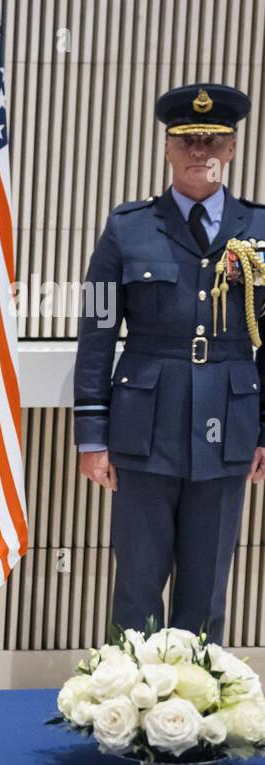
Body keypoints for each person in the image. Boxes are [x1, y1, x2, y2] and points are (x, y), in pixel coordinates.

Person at [75, 82, 265, 644]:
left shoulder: (258, 230)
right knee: (136, 583)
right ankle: (131, 706)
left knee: (207, 587)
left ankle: (197, 715)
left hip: (229, 425)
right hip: (143, 424)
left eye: (213, 140)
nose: (200, 151)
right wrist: (92, 435)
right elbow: (96, 330)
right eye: (187, 140)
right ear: (166, 149)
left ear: (231, 148)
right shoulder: (127, 227)